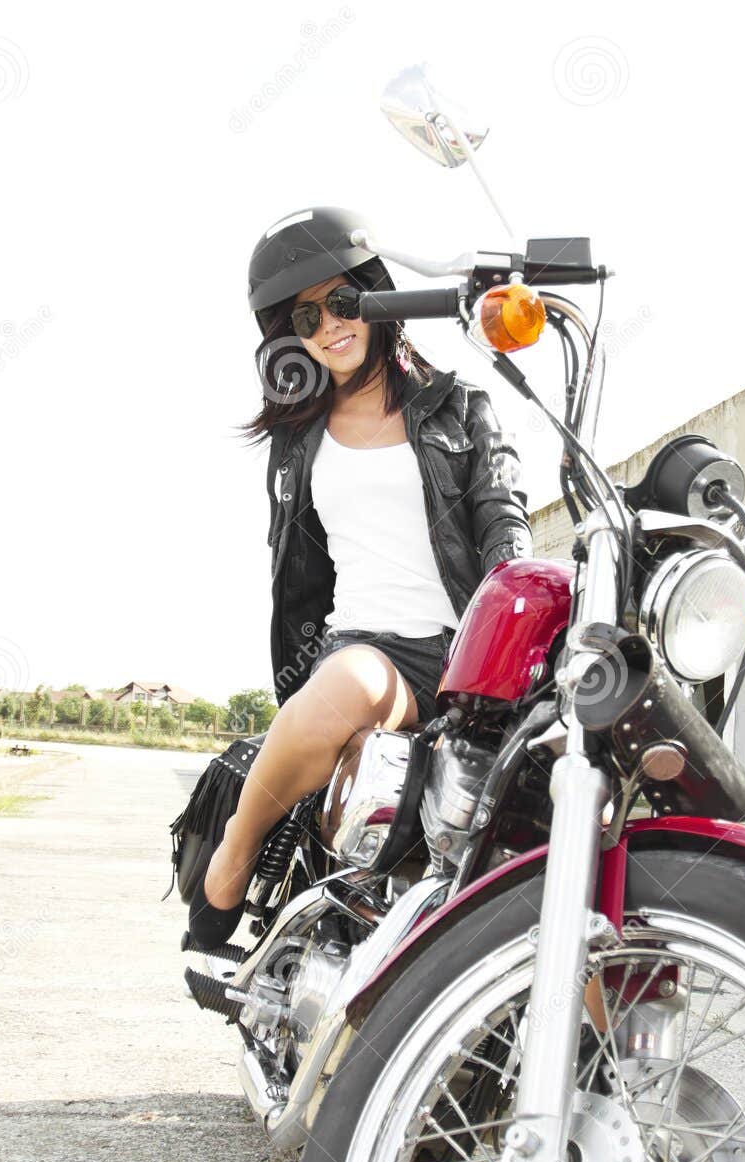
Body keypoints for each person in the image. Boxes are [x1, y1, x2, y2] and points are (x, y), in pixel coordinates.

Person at [189, 206, 533, 949]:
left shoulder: (458, 406)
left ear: (377, 297)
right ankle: (232, 859)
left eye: (343, 301)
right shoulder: (300, 435)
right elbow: (298, 566)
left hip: (466, 655)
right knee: (350, 681)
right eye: (305, 317)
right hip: (365, 650)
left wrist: (513, 590)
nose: (330, 326)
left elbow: (502, 515)